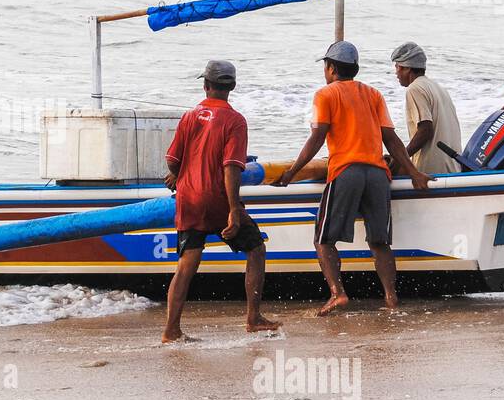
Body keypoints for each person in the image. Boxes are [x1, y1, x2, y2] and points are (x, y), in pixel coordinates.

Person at [273, 42, 431, 315]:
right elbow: (391, 139)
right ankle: (391, 298)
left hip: (346, 171)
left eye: (325, 66)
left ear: (331, 68)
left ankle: (338, 293)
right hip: (378, 173)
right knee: (380, 241)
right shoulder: (373, 94)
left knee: (323, 239)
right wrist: (414, 172)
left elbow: (317, 137)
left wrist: (293, 171)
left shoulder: (325, 94)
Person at [163, 60, 279, 342]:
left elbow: (172, 160)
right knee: (255, 249)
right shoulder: (235, 120)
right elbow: (230, 167)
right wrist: (234, 209)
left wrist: (180, 178)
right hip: (216, 199)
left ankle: (171, 330)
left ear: (206, 86)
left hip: (188, 198)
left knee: (187, 263)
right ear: (233, 87)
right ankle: (253, 318)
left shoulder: (190, 116)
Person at [389, 41, 461, 175]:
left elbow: (425, 130)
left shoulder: (415, 88)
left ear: (407, 68)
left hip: (431, 171)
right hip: (453, 169)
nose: (396, 73)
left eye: (397, 67)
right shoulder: (439, 88)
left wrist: (401, 159)